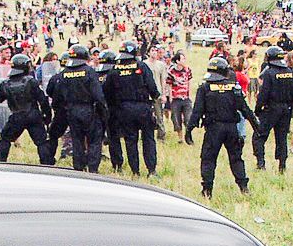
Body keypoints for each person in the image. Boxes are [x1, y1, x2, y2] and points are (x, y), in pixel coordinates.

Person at [189, 55, 255, 197]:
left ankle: (207, 190)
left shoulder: (205, 87)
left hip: (213, 129)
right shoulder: (234, 87)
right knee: (236, 158)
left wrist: (189, 129)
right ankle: (244, 187)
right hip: (231, 128)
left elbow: (197, 111)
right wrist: (256, 125)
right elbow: (245, 109)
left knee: (208, 159)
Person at [47, 44, 107, 172]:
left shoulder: (64, 73)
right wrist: (103, 112)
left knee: (77, 140)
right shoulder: (89, 71)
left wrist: (60, 111)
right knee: (94, 141)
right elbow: (98, 95)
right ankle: (93, 169)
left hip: (72, 111)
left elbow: (57, 96)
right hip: (89, 110)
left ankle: (79, 168)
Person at [106, 40, 160, 176]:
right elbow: (153, 88)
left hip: (124, 109)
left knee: (131, 140)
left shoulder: (114, 70)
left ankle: (135, 171)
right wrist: (154, 97)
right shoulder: (142, 66)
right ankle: (151, 170)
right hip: (143, 107)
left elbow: (107, 91)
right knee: (148, 139)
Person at [0, 53, 52, 164]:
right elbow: (43, 100)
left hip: (16, 116)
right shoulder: (31, 81)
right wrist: (47, 116)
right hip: (33, 115)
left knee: (5, 139)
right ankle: (47, 165)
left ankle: (1, 162)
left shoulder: (6, 83)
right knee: (42, 142)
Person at [253, 45, 293, 171]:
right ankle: (282, 165)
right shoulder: (289, 72)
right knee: (282, 138)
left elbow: (263, 94)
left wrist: (258, 110)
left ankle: (261, 163)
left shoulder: (269, 73)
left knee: (259, 136)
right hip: (285, 109)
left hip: (271, 109)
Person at [166, 51, 193, 142]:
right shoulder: (171, 71)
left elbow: (189, 82)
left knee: (188, 118)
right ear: (177, 61)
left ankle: (188, 136)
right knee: (176, 119)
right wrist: (170, 97)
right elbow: (169, 84)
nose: (184, 60)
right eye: (182, 59)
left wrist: (189, 94)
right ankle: (180, 137)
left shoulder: (187, 70)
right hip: (175, 98)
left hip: (185, 97)